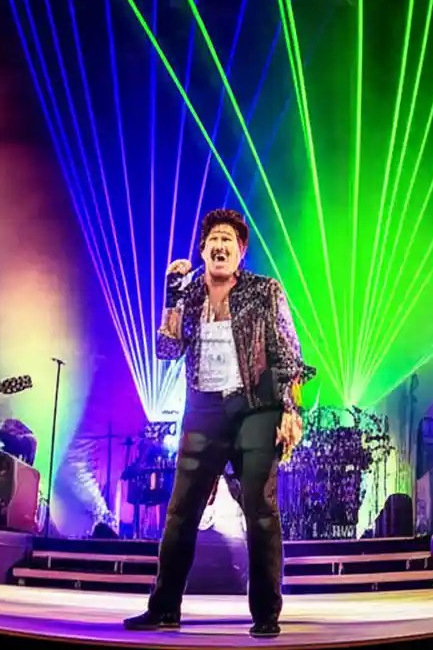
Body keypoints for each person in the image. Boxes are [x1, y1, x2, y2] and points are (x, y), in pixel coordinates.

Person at [123, 209, 313, 639]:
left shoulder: (265, 291)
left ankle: (266, 613)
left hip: (255, 408)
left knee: (261, 511)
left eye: (229, 240)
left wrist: (291, 409)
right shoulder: (190, 296)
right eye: (214, 240)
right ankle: (164, 608)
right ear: (203, 249)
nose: (221, 246)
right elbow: (167, 350)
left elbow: (288, 354)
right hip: (203, 410)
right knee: (180, 512)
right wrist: (171, 295)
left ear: (241, 252)